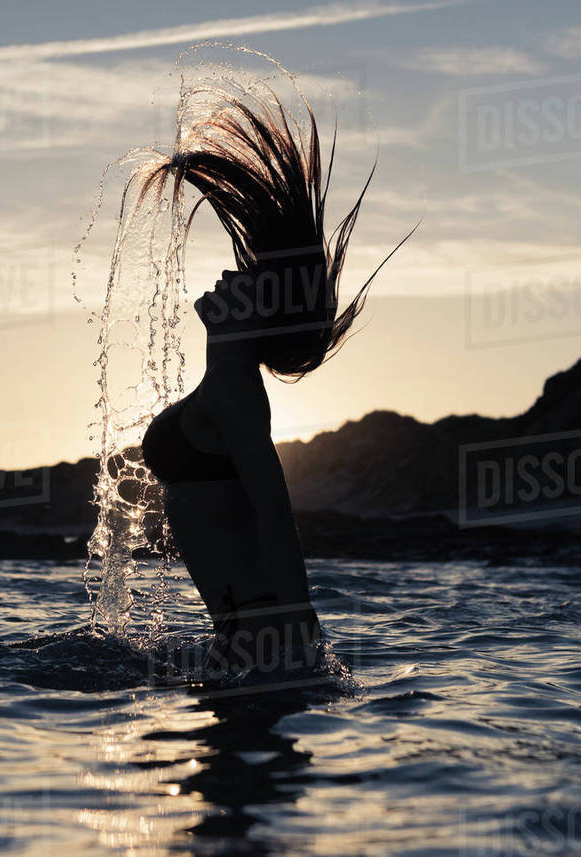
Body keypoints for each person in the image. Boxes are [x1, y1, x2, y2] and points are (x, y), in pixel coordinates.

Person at [138, 90, 410, 677]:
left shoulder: (235, 393)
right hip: (247, 631)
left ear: (262, 312)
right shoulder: (224, 383)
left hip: (260, 631)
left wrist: (300, 630)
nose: (230, 273)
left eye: (250, 277)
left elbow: (274, 513)